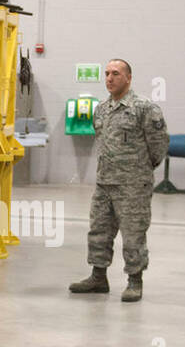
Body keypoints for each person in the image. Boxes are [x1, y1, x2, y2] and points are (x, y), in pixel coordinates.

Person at [69, 59, 169, 302]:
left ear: (128, 78)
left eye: (115, 74)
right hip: (104, 182)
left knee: (133, 234)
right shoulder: (101, 109)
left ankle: (135, 281)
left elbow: (159, 145)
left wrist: (140, 170)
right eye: (107, 74)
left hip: (133, 185)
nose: (110, 78)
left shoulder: (144, 108)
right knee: (98, 231)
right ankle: (98, 277)